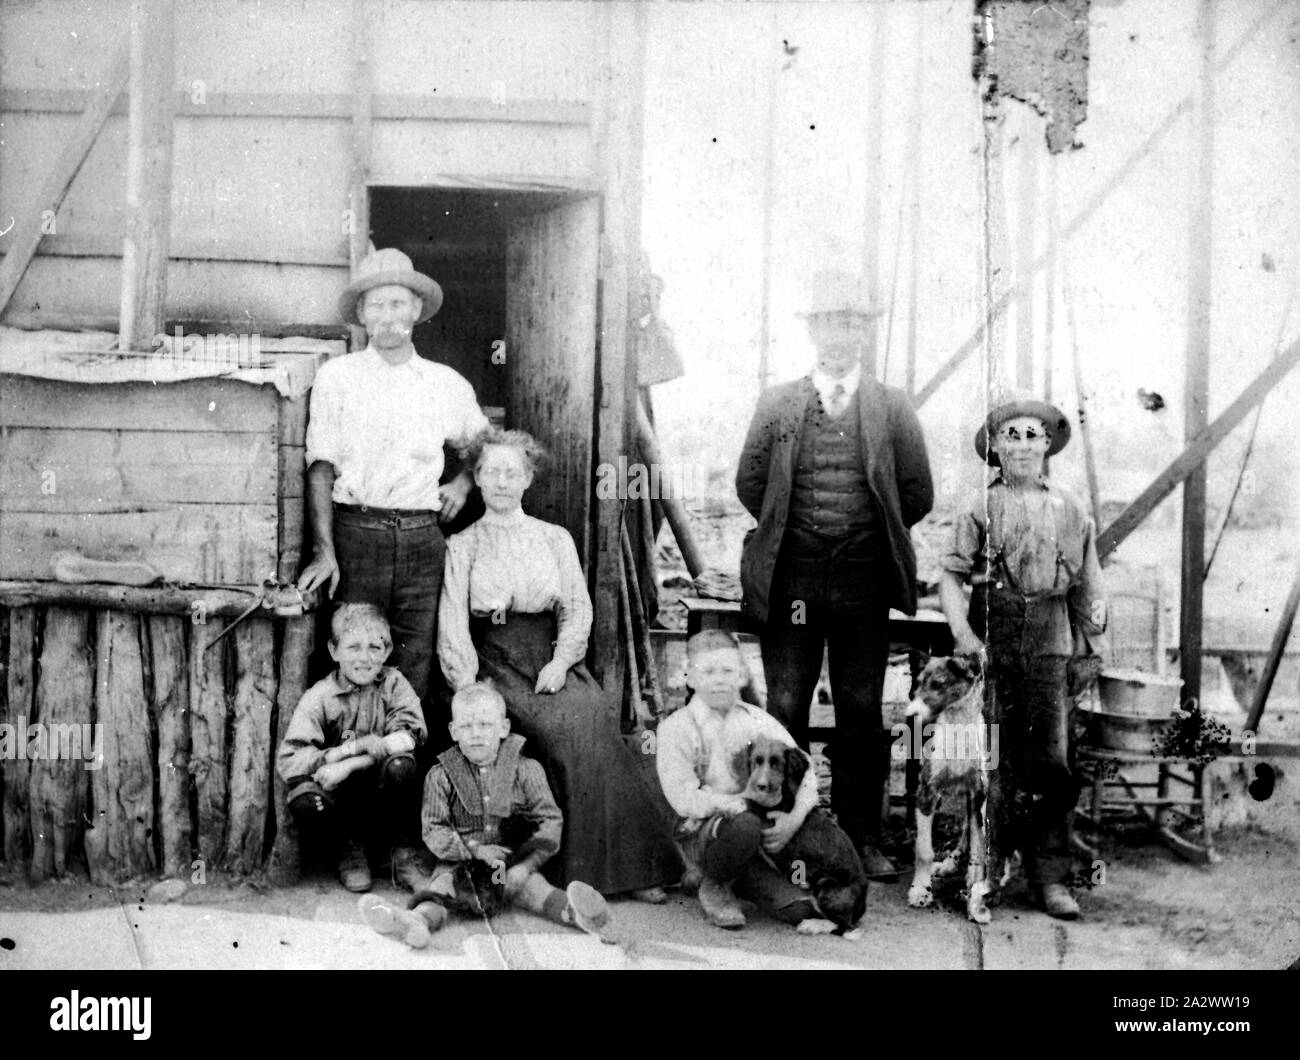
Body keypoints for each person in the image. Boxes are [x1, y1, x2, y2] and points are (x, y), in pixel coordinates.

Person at [736, 270, 934, 880]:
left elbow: (917, 492)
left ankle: (859, 838)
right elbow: (751, 482)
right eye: (829, 323)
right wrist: (794, 533)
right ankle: (779, 835)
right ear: (813, 331)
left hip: (862, 579)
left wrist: (860, 538)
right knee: (787, 704)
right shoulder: (778, 403)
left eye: (851, 323)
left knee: (859, 709)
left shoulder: (892, 405)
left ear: (864, 332)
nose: (840, 334)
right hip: (794, 578)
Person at [436, 428, 683, 900]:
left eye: (513, 472)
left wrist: (562, 660)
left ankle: (636, 868)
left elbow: (576, 606)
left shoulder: (554, 538)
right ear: (479, 480)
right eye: (492, 472)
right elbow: (452, 620)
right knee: (555, 734)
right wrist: (469, 688)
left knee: (591, 716)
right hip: (495, 661)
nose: (503, 482)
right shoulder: (462, 544)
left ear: (528, 479)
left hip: (547, 656)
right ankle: (575, 872)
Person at [298, 247, 489, 728]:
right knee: (354, 651)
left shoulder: (444, 382)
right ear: (362, 314)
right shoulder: (337, 377)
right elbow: (320, 465)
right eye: (377, 306)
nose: (388, 316)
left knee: (413, 658)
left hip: (423, 538)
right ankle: (348, 770)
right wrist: (325, 551)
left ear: (416, 311)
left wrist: (464, 483)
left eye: (398, 304)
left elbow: (484, 443)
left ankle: (405, 773)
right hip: (357, 533)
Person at [936, 395, 1107, 919]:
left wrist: (1092, 646)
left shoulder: (1072, 507)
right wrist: (964, 634)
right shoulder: (978, 505)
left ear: (1049, 444)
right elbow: (949, 575)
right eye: (1012, 435)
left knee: (1052, 763)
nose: (1025, 445)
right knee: (993, 759)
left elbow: (1090, 585)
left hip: (1051, 638)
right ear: (995, 447)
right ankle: (982, 869)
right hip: (996, 630)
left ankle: (1050, 877)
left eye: (1034, 435)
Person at [357, 683, 610, 948]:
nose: (475, 734)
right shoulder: (440, 775)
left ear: (504, 728)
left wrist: (527, 866)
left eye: (485, 725)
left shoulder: (527, 770)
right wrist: (474, 850)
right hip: (461, 864)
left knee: (537, 890)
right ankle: (414, 923)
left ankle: (583, 916)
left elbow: (549, 821)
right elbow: (434, 829)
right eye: (466, 727)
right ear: (454, 732)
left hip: (510, 868)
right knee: (440, 890)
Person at [655, 630, 832, 931]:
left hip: (758, 834)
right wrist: (735, 804)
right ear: (690, 677)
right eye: (708, 671)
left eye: (728, 670)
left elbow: (805, 773)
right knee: (745, 824)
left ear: (741, 675)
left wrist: (793, 820)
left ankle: (750, 877)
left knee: (801, 910)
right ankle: (715, 883)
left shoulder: (757, 720)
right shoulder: (677, 728)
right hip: (704, 831)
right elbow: (683, 798)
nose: (720, 679)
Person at [276, 604, 428, 893]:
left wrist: (351, 763)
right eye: (353, 647)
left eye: (374, 647)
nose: (364, 658)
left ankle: (397, 852)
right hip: (340, 795)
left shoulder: (394, 684)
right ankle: (349, 851)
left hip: (380, 787)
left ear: (387, 651)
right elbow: (290, 760)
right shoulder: (320, 696)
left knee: (402, 766)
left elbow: (410, 736)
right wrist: (340, 754)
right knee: (306, 800)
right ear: (334, 651)